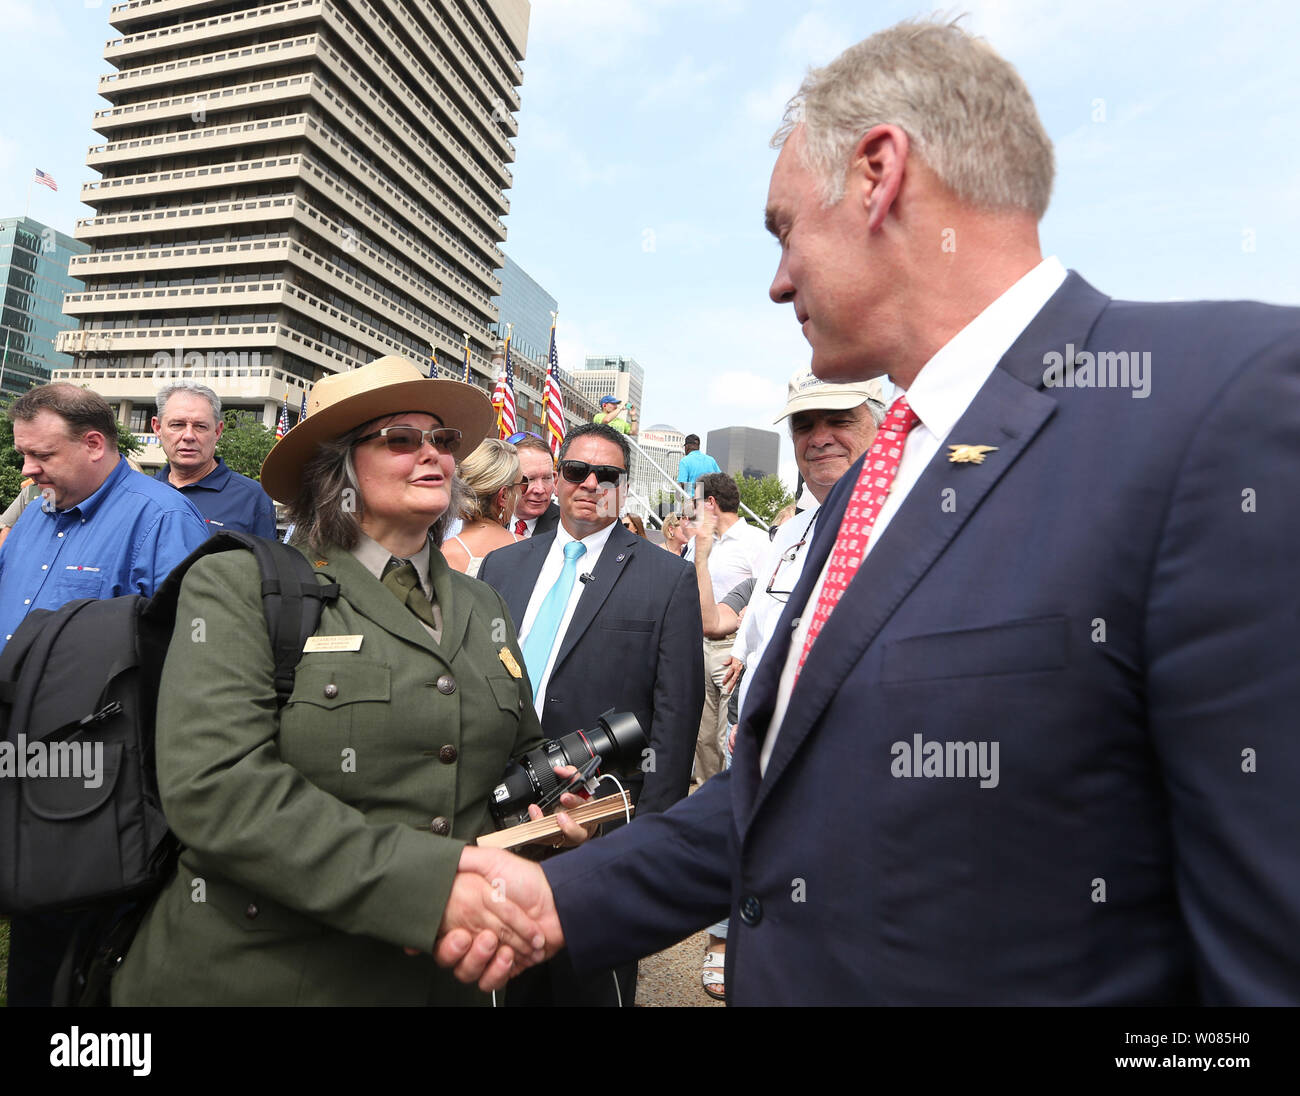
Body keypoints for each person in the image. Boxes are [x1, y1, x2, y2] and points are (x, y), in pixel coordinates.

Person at [434, 19, 1300, 1005]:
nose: (776, 279)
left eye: (783, 228)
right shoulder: (868, 488)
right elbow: (782, 807)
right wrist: (559, 899)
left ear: (877, 173)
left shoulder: (1224, 406)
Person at [111, 355, 591, 1006]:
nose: (434, 455)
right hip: (262, 977)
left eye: (442, 440)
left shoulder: (485, 608)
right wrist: (431, 888)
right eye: (401, 439)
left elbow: (514, 756)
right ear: (335, 470)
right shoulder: (239, 584)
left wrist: (550, 809)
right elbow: (216, 787)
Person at [478, 422, 704, 1006]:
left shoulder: (666, 577)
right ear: (557, 477)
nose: (591, 484)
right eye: (578, 471)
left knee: (588, 985)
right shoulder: (502, 568)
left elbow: (677, 713)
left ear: (623, 486)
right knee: (502, 980)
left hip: (598, 821)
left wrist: (647, 839)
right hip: (499, 810)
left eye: (607, 475)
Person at [0, 382, 210, 1007]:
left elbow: (191, 658)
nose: (28, 469)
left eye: (40, 455)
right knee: (32, 921)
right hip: (21, 759)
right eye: (23, 456)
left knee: (78, 951)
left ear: (95, 443)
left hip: (94, 779)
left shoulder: (163, 518)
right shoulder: (38, 509)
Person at [691, 369, 883, 1000]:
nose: (820, 437)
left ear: (881, 422)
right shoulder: (789, 537)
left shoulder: (910, 522)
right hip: (768, 759)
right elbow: (748, 629)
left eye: (839, 420)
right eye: (805, 424)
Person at [685, 472, 768, 786]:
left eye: (696, 502)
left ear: (710, 503)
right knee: (703, 736)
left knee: (725, 736)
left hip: (733, 651)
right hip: (699, 646)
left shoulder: (757, 542)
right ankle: (706, 799)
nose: (691, 510)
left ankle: (728, 803)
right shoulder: (702, 544)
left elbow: (766, 594)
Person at [151, 382, 277, 537]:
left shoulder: (252, 498)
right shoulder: (144, 493)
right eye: (177, 424)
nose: (188, 435)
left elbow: (266, 559)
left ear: (218, 431)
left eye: (200, 426)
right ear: (157, 428)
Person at [441, 438, 525, 578]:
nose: (522, 493)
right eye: (520, 486)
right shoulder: (528, 550)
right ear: (503, 495)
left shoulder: (442, 555)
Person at [510, 434, 560, 538]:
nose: (540, 489)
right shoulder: (484, 521)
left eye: (546, 478)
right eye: (530, 479)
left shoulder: (567, 528)